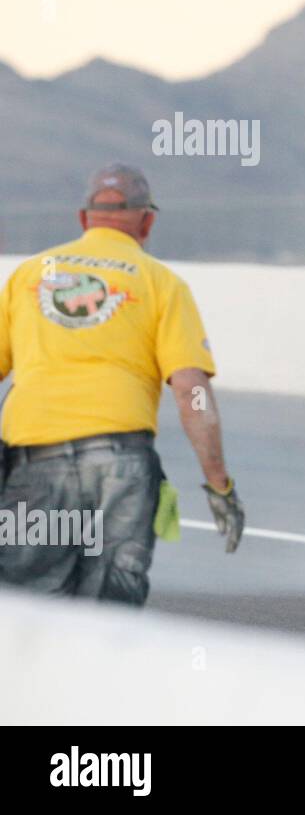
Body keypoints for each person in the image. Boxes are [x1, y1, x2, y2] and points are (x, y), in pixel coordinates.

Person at [0, 163, 244, 605]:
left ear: (83, 218)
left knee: (24, 611)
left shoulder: (29, 276)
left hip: (37, 464)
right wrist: (219, 484)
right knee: (109, 612)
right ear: (147, 222)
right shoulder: (162, 283)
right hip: (123, 467)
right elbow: (191, 388)